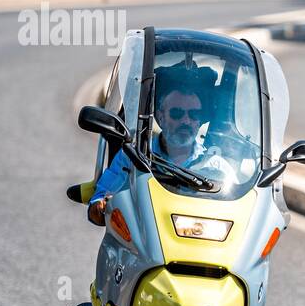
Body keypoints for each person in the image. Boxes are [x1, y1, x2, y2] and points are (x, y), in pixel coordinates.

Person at [88, 66, 239, 222]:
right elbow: (98, 201)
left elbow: (240, 211)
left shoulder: (218, 167)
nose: (186, 121)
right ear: (160, 117)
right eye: (177, 113)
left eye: (193, 114)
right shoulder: (132, 157)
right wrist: (100, 206)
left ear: (199, 120)